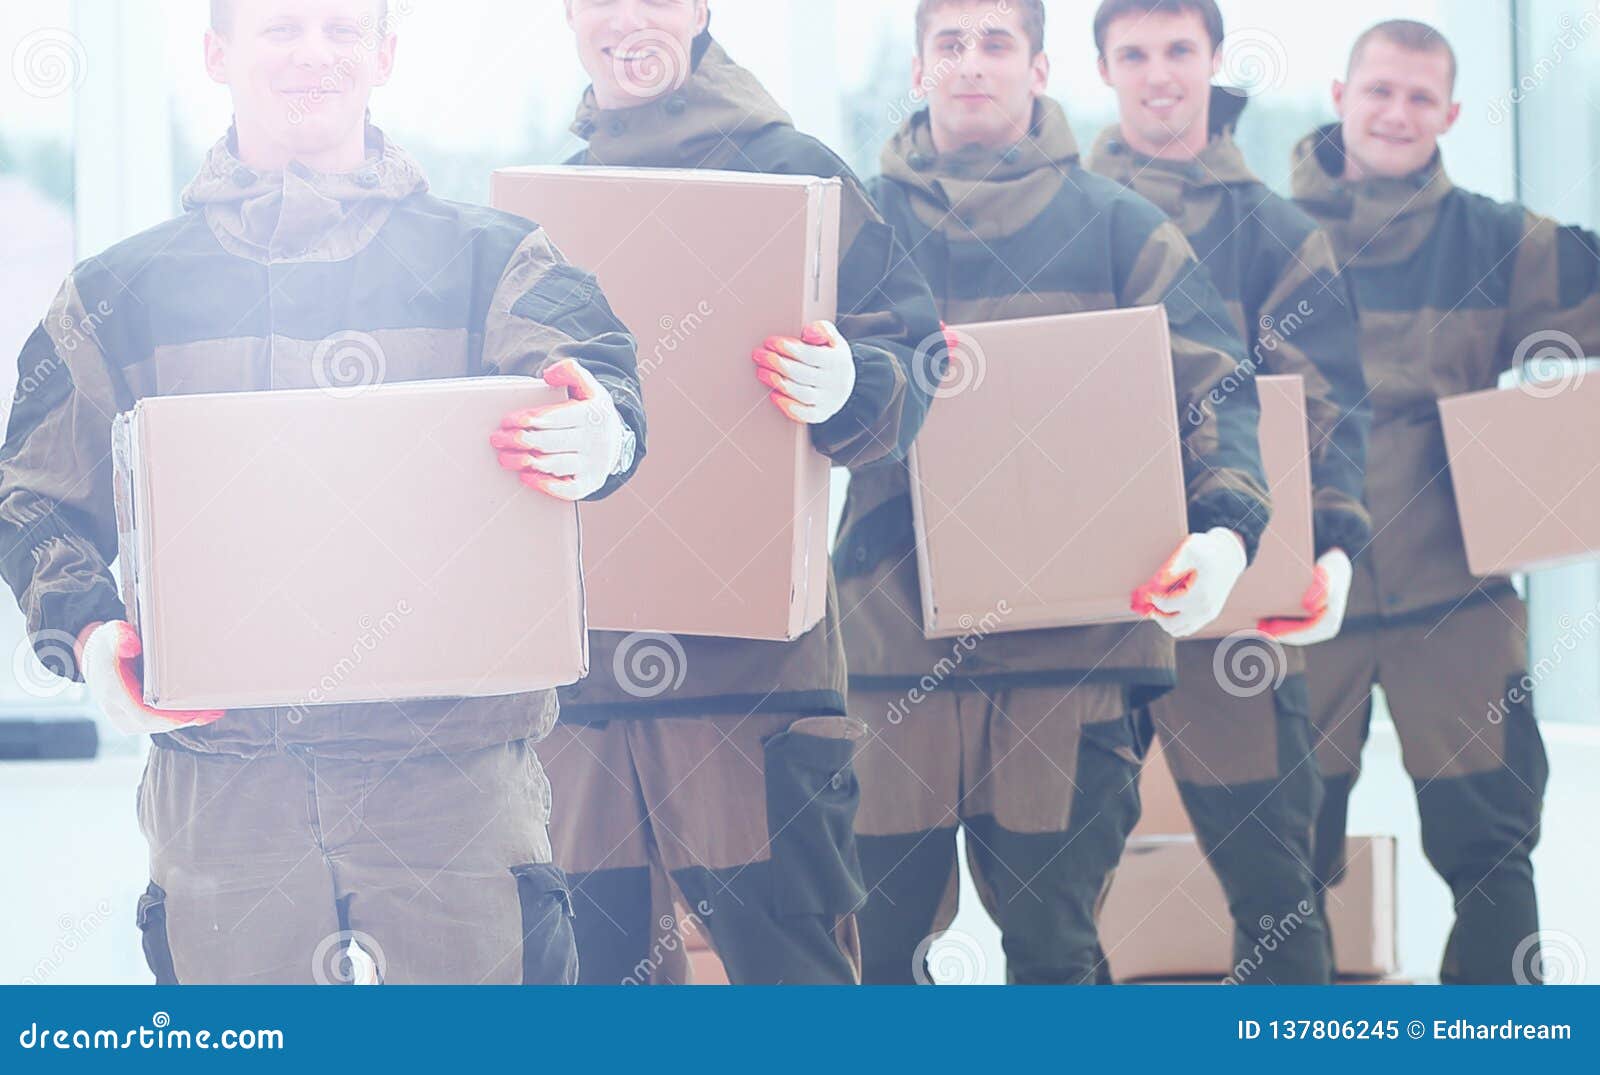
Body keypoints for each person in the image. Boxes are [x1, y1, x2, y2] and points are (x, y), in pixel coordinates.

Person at [0, 0, 646, 985]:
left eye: (341, 28)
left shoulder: (498, 257)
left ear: (383, 55)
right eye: (282, 27)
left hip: (453, 782)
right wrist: (86, 636)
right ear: (218, 54)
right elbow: (29, 493)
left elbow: (590, 357)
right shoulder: (117, 291)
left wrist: (604, 429)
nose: (314, 51)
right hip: (224, 784)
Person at [835, 0, 1271, 985]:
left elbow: (1214, 386)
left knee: (1053, 950)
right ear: (918, 69)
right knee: (875, 958)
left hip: (1070, 655)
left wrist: (1225, 528)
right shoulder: (858, 228)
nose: (971, 64)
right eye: (949, 45)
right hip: (884, 647)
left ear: (1037, 70)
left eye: (996, 44)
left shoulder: (1120, 227)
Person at [544, 0, 941, 985]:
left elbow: (910, 349)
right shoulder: (554, 202)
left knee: (788, 972)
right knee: (597, 980)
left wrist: (855, 382)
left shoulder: (789, 169)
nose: (626, 18)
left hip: (753, 679)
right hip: (587, 682)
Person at [1292, 19, 1600, 984]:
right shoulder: (1265, 235)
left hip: (1458, 596)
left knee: (1493, 850)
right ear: (1340, 96)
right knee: (1278, 859)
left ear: (1453, 115)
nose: (1396, 112)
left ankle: (1506, 1043)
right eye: (1380, 90)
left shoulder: (1497, 241)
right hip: (1305, 597)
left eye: (1421, 97)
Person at [1086, 0, 1372, 983]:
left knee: (1275, 891)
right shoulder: (1067, 220)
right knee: (1052, 904)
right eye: (1134, 53)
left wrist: (1334, 546)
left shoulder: (1273, 230)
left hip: (1238, 605)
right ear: (1103, 70)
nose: (1157, 72)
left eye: (1177, 49)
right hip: (1087, 601)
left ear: (1213, 62)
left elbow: (1328, 402)